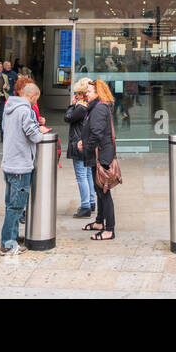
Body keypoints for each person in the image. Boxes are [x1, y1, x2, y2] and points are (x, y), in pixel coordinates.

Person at [0, 82, 50, 255]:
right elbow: (33, 135)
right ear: (32, 96)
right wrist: (41, 131)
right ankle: (8, 244)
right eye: (36, 99)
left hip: (8, 162)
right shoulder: (25, 110)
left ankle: (11, 237)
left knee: (10, 205)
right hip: (20, 166)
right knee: (16, 207)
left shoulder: (9, 108)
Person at [83, 79, 118, 241]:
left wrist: (86, 147)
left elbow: (96, 134)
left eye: (89, 91)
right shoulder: (100, 107)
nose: (86, 94)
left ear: (98, 93)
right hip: (103, 153)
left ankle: (109, 229)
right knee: (99, 190)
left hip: (101, 155)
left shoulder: (98, 109)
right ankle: (99, 222)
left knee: (104, 192)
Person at [65, 77, 96, 218]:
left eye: (77, 93)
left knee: (82, 175)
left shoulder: (81, 107)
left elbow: (68, 118)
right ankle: (91, 201)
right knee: (88, 173)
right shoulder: (89, 105)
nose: (75, 95)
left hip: (78, 143)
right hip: (86, 142)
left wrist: (71, 106)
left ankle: (85, 206)